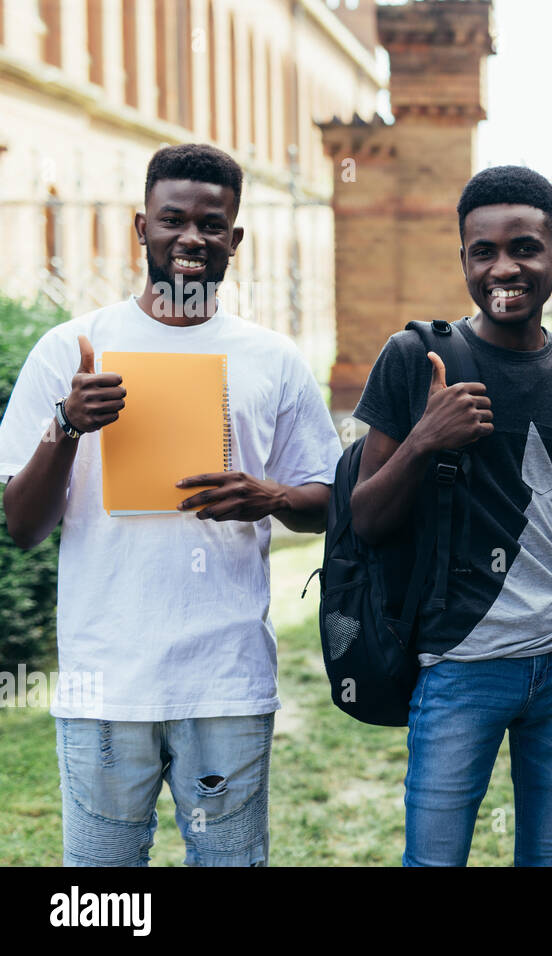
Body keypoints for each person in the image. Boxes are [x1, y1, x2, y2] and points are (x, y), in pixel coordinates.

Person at [0, 143, 342, 866]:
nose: (191, 237)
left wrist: (267, 496)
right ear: (141, 229)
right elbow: (22, 526)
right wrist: (66, 425)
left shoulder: (271, 358)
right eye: (172, 220)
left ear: (234, 239)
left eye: (211, 224)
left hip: (226, 677)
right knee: (103, 896)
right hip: (105, 681)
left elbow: (328, 500)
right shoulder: (72, 349)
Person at [349, 165, 552, 867]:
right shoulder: (416, 358)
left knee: (551, 858)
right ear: (464, 261)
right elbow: (364, 518)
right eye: (485, 251)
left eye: (526, 247)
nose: (505, 266)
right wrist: (425, 438)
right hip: (460, 664)